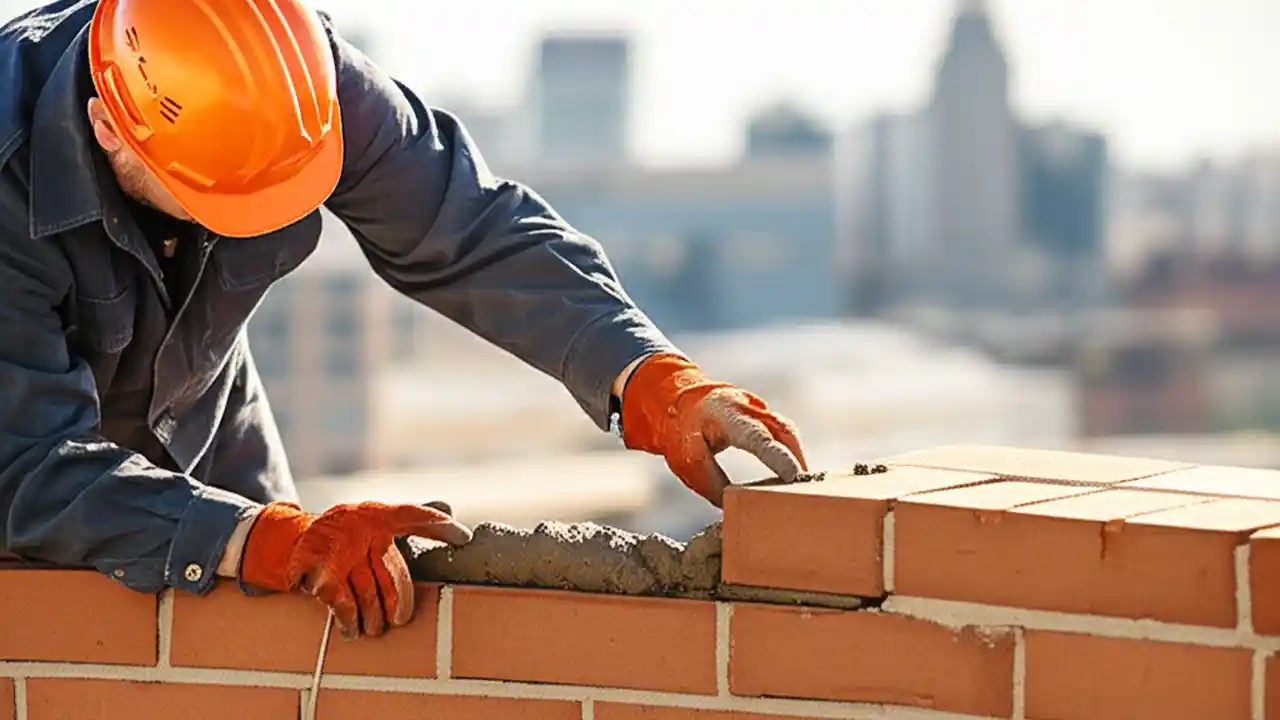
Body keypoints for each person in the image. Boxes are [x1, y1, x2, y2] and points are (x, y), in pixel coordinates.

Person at [0, 0, 808, 639]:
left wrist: (645, 374)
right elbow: (29, 467)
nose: (238, 227)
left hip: (205, 419)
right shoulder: (10, 164)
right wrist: (264, 540)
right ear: (109, 129)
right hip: (30, 466)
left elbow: (471, 227)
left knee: (283, 637)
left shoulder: (297, 88)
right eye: (218, 201)